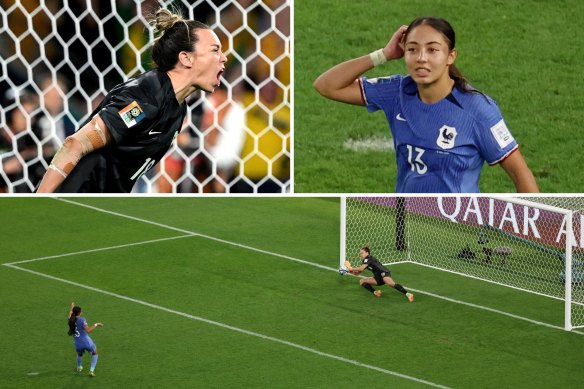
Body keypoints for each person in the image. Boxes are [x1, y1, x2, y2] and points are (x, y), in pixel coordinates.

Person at [313, 16, 538, 193]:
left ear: (450, 56)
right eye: (412, 49)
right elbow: (326, 86)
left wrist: (535, 226)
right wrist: (382, 54)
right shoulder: (396, 92)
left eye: (432, 50)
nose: (421, 58)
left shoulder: (478, 110)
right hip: (408, 222)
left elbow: (519, 173)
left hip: (459, 228)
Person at [36, 8, 227, 192]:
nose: (224, 58)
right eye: (215, 50)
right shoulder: (145, 97)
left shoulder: (177, 109)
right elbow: (75, 144)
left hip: (101, 208)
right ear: (186, 58)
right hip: (72, 200)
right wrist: (38, 201)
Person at [348, 246, 414, 302]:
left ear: (367, 253)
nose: (360, 254)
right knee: (362, 281)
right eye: (360, 253)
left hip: (384, 273)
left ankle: (408, 294)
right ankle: (375, 292)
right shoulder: (364, 262)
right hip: (378, 277)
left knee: (390, 283)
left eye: (362, 253)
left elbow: (361, 269)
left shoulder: (368, 258)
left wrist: (351, 268)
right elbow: (357, 273)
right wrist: (349, 271)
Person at [67, 302, 103, 377]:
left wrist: (72, 307)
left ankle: (79, 367)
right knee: (95, 353)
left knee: (79, 355)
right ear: (79, 313)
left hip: (77, 344)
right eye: (81, 311)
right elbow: (88, 330)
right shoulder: (82, 320)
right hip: (87, 342)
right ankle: (91, 370)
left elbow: (70, 313)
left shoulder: (70, 320)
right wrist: (96, 324)